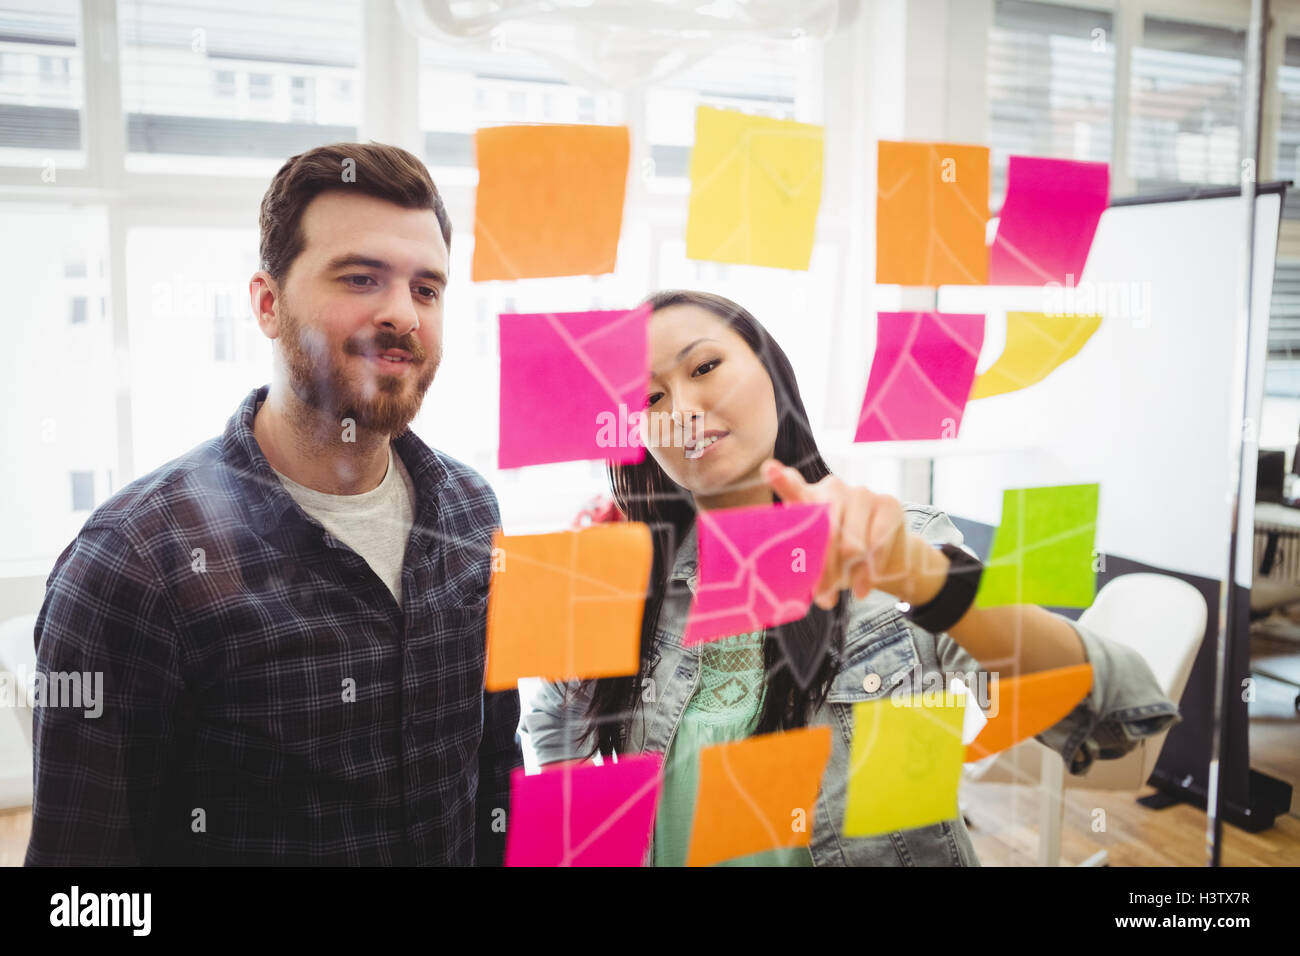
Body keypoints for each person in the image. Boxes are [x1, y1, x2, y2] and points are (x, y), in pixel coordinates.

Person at [522, 289, 1180, 866]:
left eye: (705, 367)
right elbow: (552, 713)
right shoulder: (626, 578)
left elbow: (1116, 711)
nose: (684, 408)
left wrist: (922, 580)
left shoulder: (901, 546)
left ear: (772, 372)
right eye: (651, 398)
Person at [26, 142, 520, 865]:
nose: (401, 314)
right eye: (361, 277)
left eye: (426, 289)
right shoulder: (134, 564)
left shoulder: (473, 513)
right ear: (266, 303)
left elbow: (496, 769)